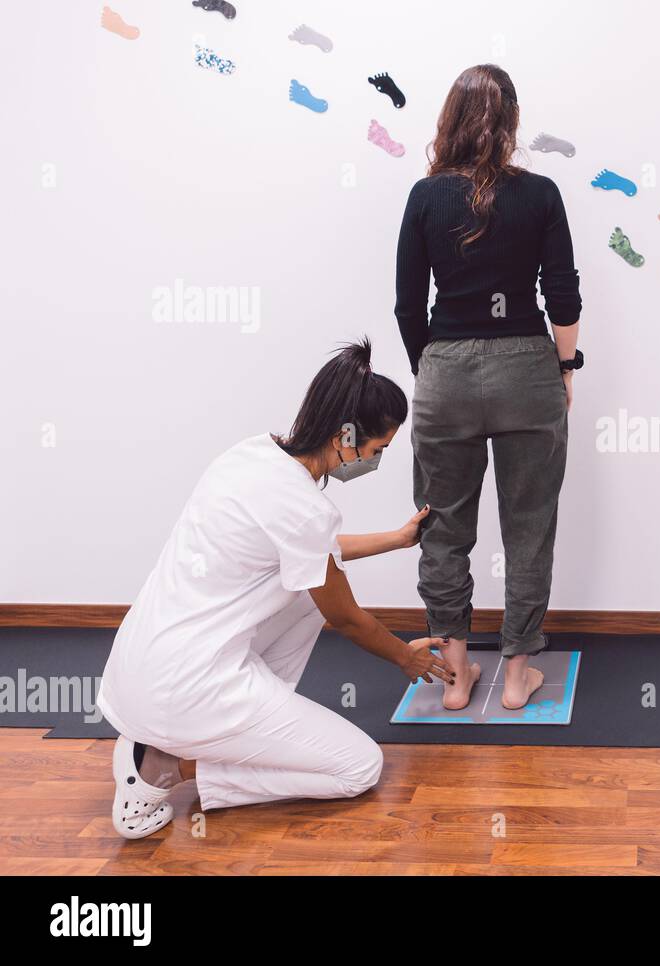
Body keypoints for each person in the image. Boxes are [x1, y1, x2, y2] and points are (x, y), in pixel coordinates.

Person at [96, 339, 454, 840]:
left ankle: (175, 738)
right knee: (358, 768)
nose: (374, 462)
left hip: (140, 668)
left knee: (304, 593)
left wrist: (396, 540)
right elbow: (346, 616)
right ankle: (161, 769)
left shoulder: (251, 455)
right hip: (184, 690)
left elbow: (311, 551)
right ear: (345, 436)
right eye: (377, 451)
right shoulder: (306, 510)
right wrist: (405, 658)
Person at [395, 64, 582, 712]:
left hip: (445, 370)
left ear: (449, 119)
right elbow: (562, 296)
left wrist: (436, 370)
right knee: (529, 525)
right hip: (527, 369)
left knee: (443, 527)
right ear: (511, 125)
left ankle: (456, 676)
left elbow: (406, 306)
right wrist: (565, 369)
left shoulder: (425, 198)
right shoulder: (540, 195)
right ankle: (520, 669)